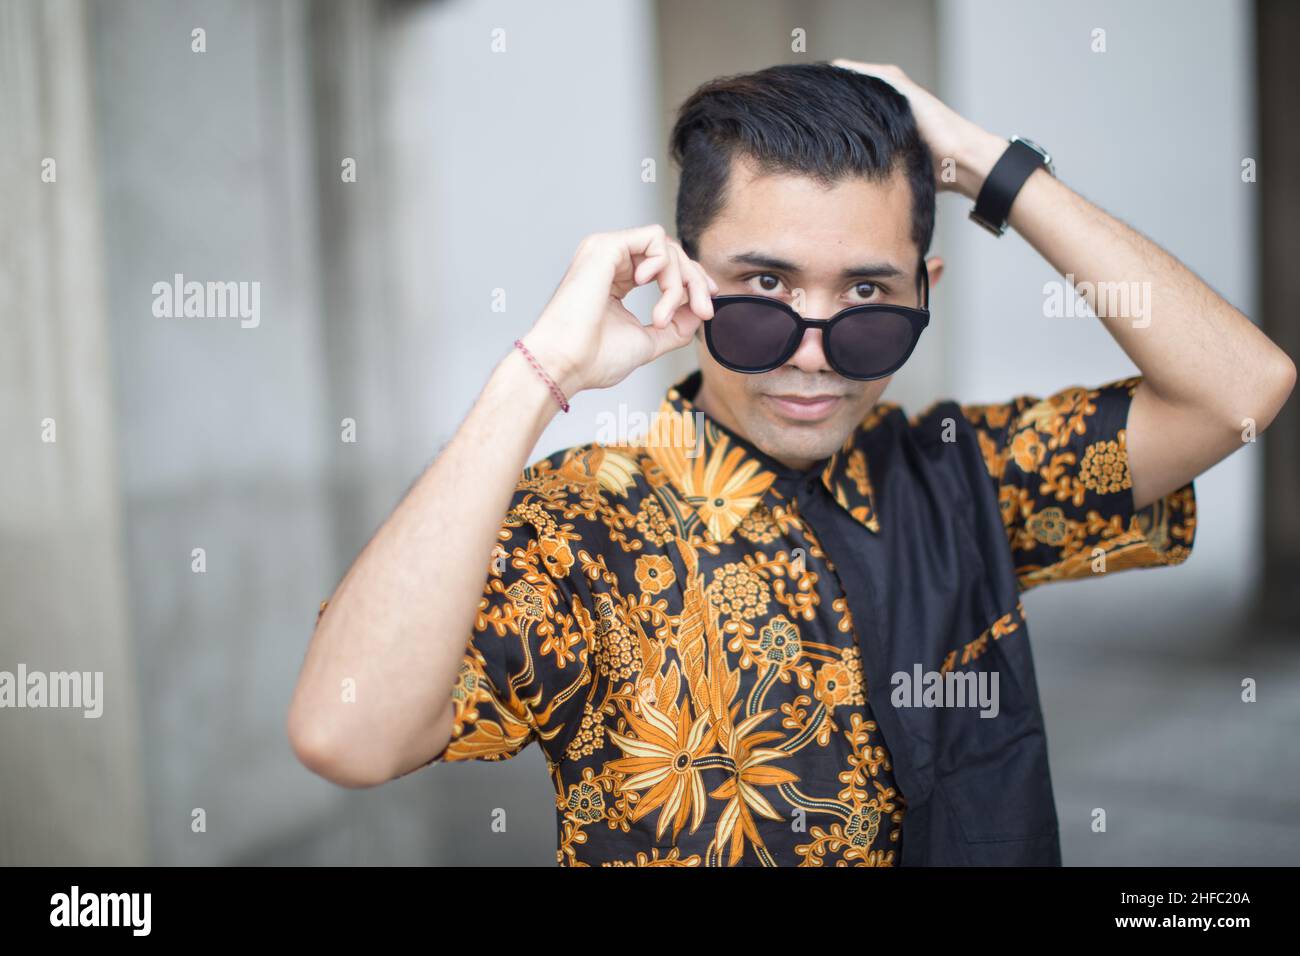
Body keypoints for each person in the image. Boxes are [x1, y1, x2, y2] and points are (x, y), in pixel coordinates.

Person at [287, 60, 1295, 866]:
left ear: (922, 292)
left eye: (865, 295)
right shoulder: (588, 524)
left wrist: (988, 165)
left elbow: (1238, 390)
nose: (812, 351)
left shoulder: (962, 476)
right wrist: (538, 372)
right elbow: (348, 731)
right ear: (685, 283)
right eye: (764, 285)